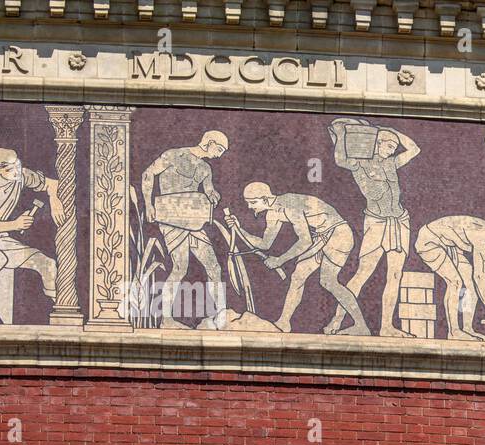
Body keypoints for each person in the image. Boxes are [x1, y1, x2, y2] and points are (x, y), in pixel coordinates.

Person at [224, 183, 366, 334]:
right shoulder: (273, 213)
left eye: (252, 202)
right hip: (321, 237)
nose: (249, 207)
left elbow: (305, 241)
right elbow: (264, 244)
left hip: (339, 234)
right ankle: (284, 322)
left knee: (328, 282)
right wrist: (238, 229)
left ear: (265, 199)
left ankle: (361, 326)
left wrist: (280, 260)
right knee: (298, 277)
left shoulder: (289, 204)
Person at [328, 118, 421, 337]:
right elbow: (340, 159)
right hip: (376, 221)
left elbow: (414, 148)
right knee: (362, 274)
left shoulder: (392, 163)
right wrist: (342, 135)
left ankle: (387, 326)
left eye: (393, 147)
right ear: (376, 143)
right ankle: (337, 320)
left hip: (399, 222)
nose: (391, 149)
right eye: (387, 145)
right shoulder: (361, 162)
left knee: (395, 275)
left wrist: (389, 129)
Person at [141, 131, 229, 327]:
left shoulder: (206, 168)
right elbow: (148, 173)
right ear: (210, 142)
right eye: (220, 149)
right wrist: (148, 204)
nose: (220, 154)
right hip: (172, 218)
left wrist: (213, 194)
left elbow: (208, 190)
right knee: (180, 267)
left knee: (214, 266)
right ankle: (166, 319)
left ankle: (222, 315)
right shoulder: (174, 155)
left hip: (193, 220)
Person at [0, 147, 63, 323]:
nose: (16, 172)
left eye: (17, 166)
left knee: (47, 264)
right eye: (9, 169)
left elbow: (52, 184)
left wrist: (54, 200)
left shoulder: (21, 176)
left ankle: (61, 309)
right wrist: (15, 224)